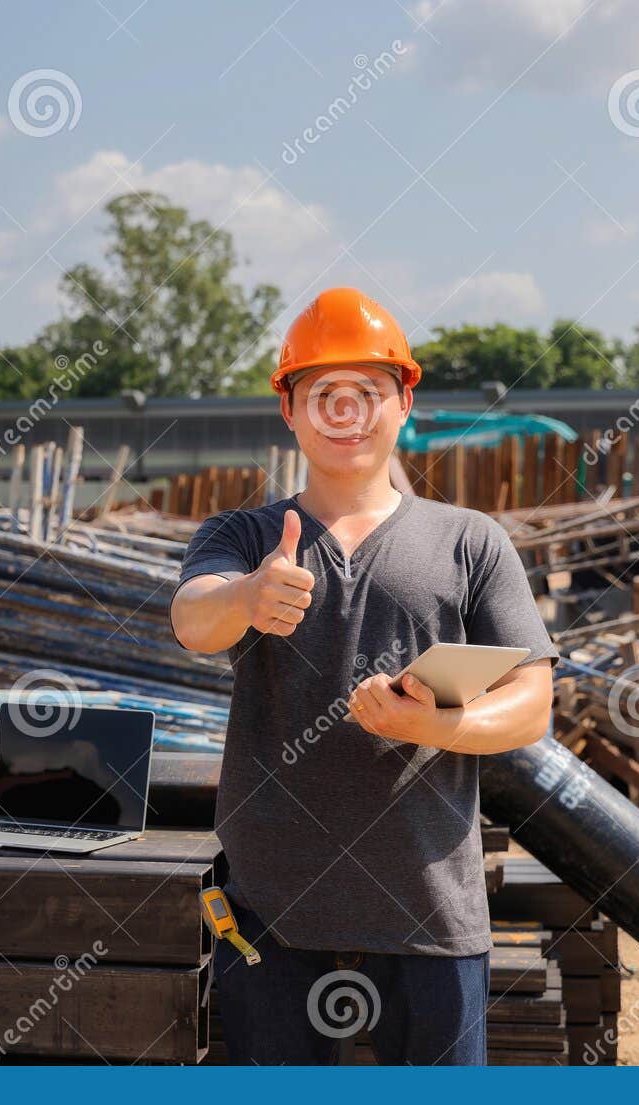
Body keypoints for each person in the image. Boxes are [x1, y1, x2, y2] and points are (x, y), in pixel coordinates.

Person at [170, 288, 557, 1064]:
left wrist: (436, 725)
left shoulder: (471, 542)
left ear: (405, 401)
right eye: (323, 395)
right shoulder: (246, 535)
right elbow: (192, 620)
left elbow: (531, 706)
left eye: (368, 393)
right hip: (271, 922)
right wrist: (249, 595)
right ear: (289, 409)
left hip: (430, 918)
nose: (346, 413)